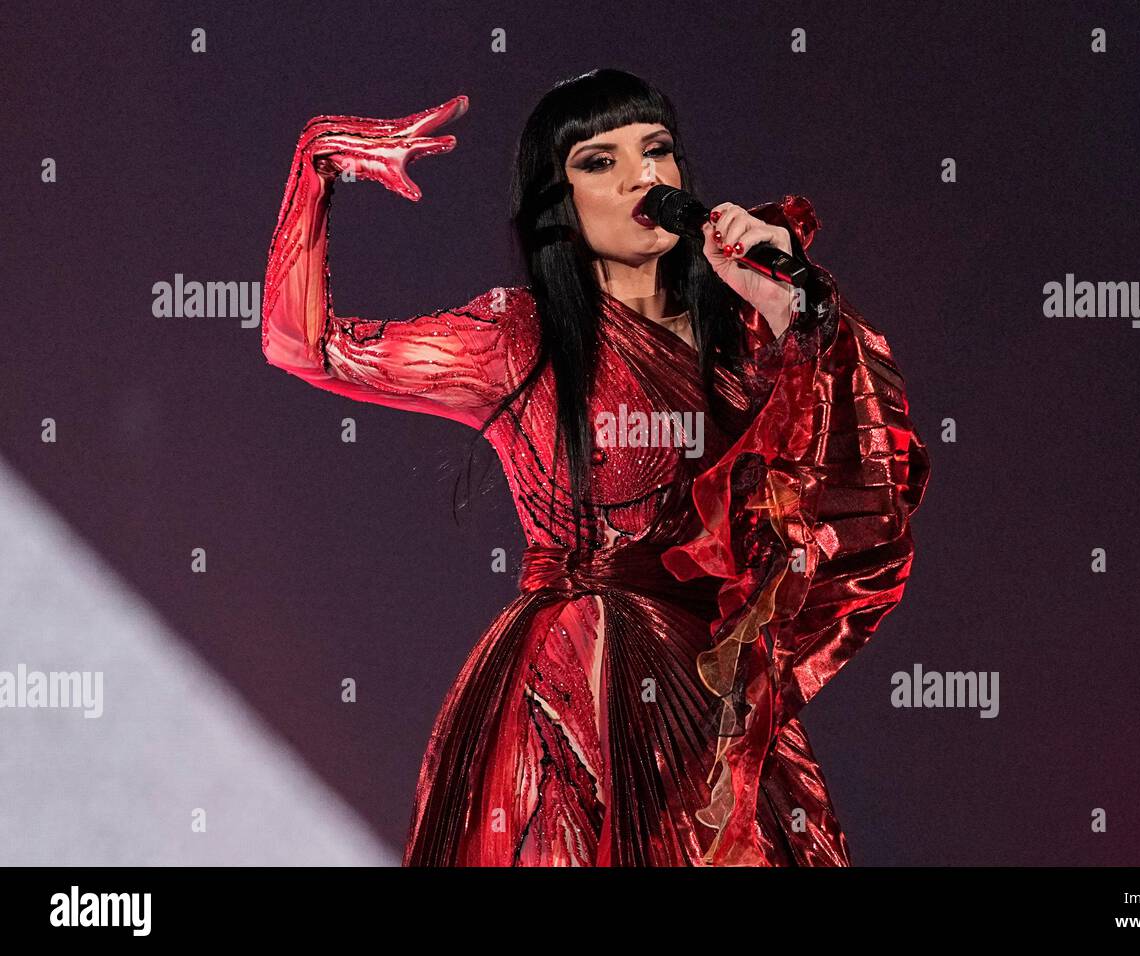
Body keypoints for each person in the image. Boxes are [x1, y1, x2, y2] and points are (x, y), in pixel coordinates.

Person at [261, 68, 931, 866]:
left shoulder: (751, 346)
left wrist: (798, 312)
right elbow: (305, 347)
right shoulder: (519, 339)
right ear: (558, 201)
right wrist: (317, 166)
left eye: (658, 151)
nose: (644, 177)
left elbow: (857, 500)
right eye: (599, 161)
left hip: (710, 712)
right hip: (570, 689)